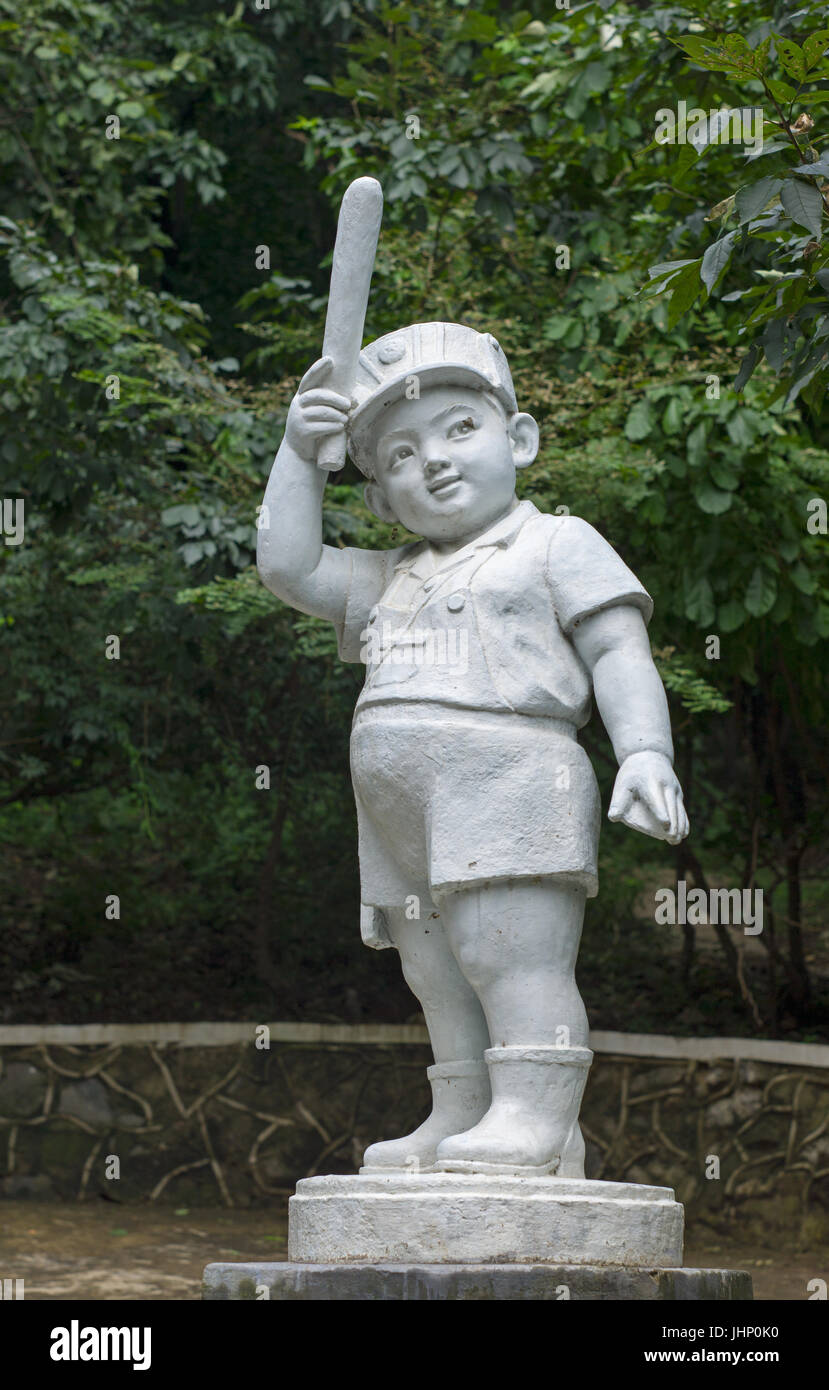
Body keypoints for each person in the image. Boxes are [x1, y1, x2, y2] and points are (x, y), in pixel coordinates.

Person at [257, 321, 689, 1177]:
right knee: (434, 968)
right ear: (379, 497)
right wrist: (298, 453)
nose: (438, 461)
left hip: (513, 778)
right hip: (396, 812)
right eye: (403, 454)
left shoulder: (554, 541)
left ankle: (533, 1113)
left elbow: (616, 651)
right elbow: (287, 566)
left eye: (461, 428)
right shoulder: (388, 573)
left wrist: (643, 749)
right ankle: (463, 1109)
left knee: (507, 949)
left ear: (518, 438)